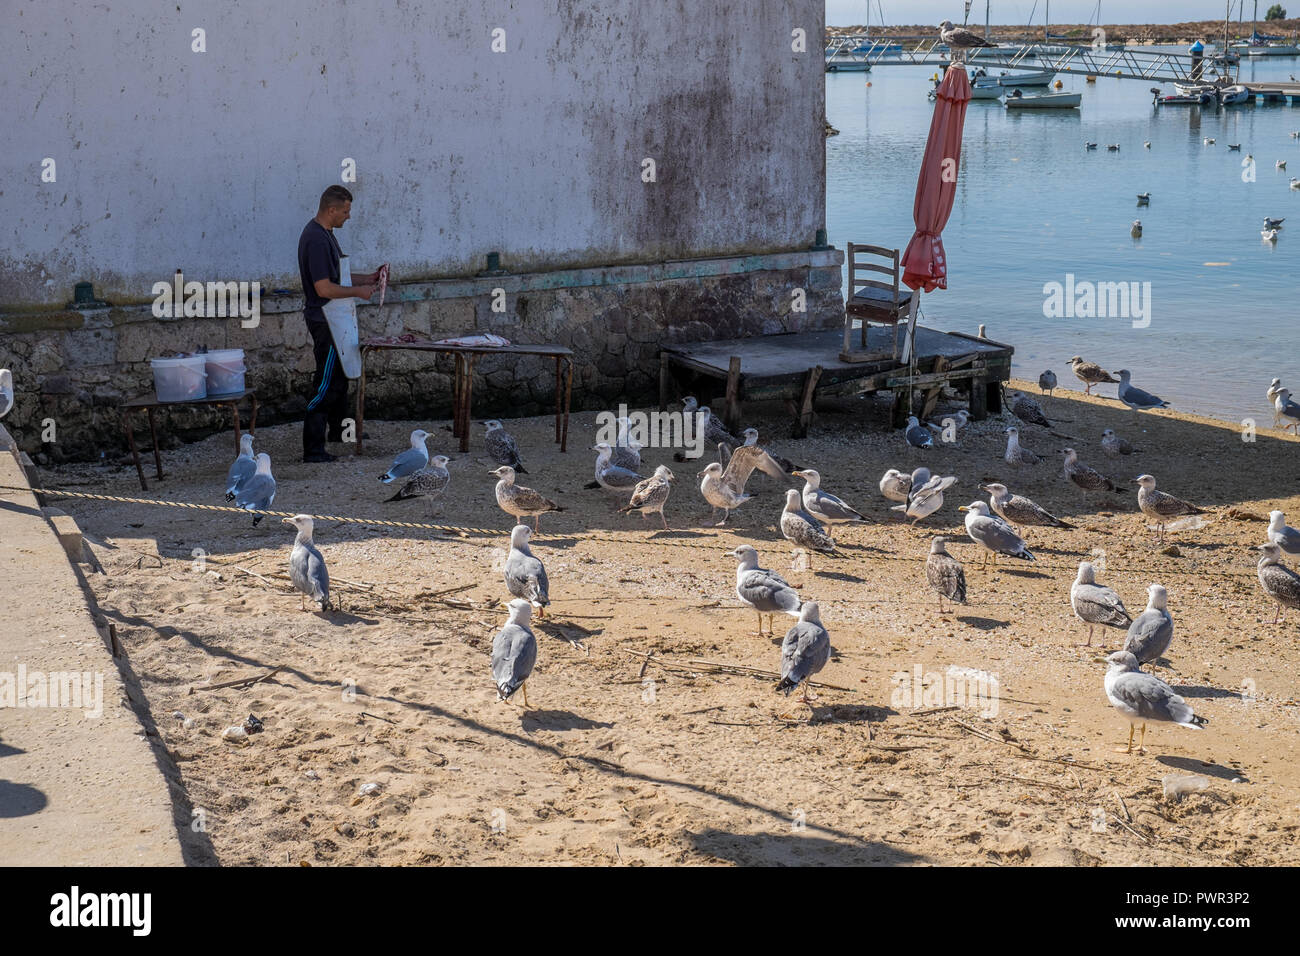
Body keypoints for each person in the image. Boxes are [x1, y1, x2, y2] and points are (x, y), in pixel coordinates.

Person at [297, 185, 378, 463]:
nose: (348, 216)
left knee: (340, 379)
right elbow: (324, 288)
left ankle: (340, 432)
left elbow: (337, 277)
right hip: (326, 320)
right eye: (345, 211)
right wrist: (359, 292)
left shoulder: (326, 235)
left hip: (335, 319)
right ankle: (313, 449)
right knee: (326, 383)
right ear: (331, 210)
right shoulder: (317, 240)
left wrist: (366, 279)